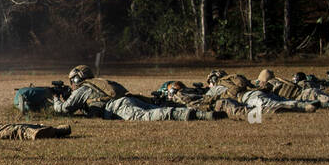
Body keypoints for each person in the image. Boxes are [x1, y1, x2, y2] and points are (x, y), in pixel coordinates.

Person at [53, 65, 220, 120]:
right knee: (154, 110)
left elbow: (65, 109)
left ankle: (198, 115)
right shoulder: (98, 83)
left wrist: (55, 101)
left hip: (117, 106)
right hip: (128, 99)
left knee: (149, 117)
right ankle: (201, 112)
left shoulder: (84, 88)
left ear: (75, 79)